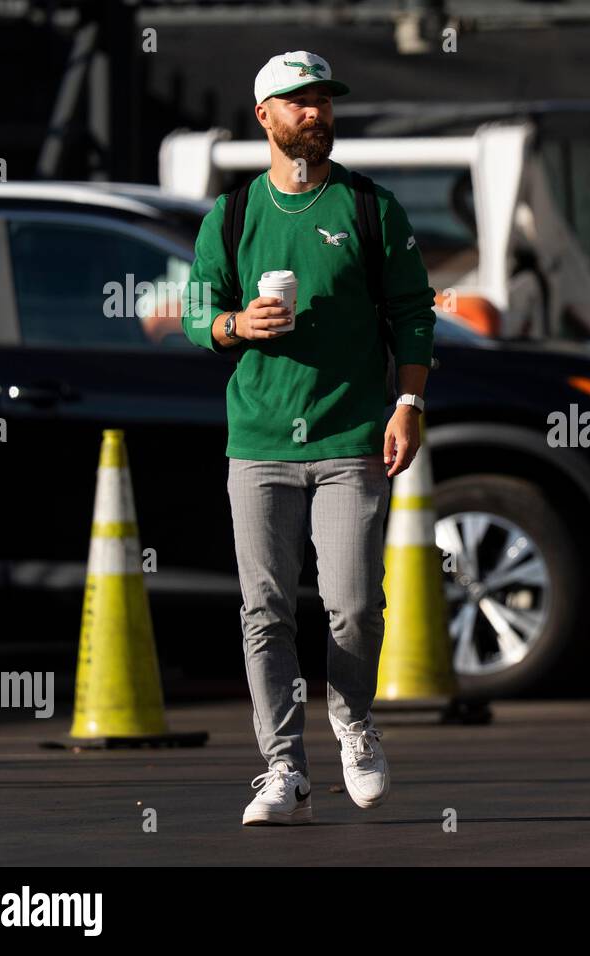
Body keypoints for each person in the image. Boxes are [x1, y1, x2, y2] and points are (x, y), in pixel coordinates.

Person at [180, 51, 437, 825]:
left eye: (323, 100)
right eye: (298, 102)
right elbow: (196, 310)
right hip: (257, 445)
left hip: (351, 440)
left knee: (353, 606)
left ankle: (353, 722)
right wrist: (233, 325)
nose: (315, 113)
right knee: (264, 610)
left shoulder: (370, 207)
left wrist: (409, 403)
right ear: (264, 116)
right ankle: (282, 769)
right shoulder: (230, 215)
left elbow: (414, 312)